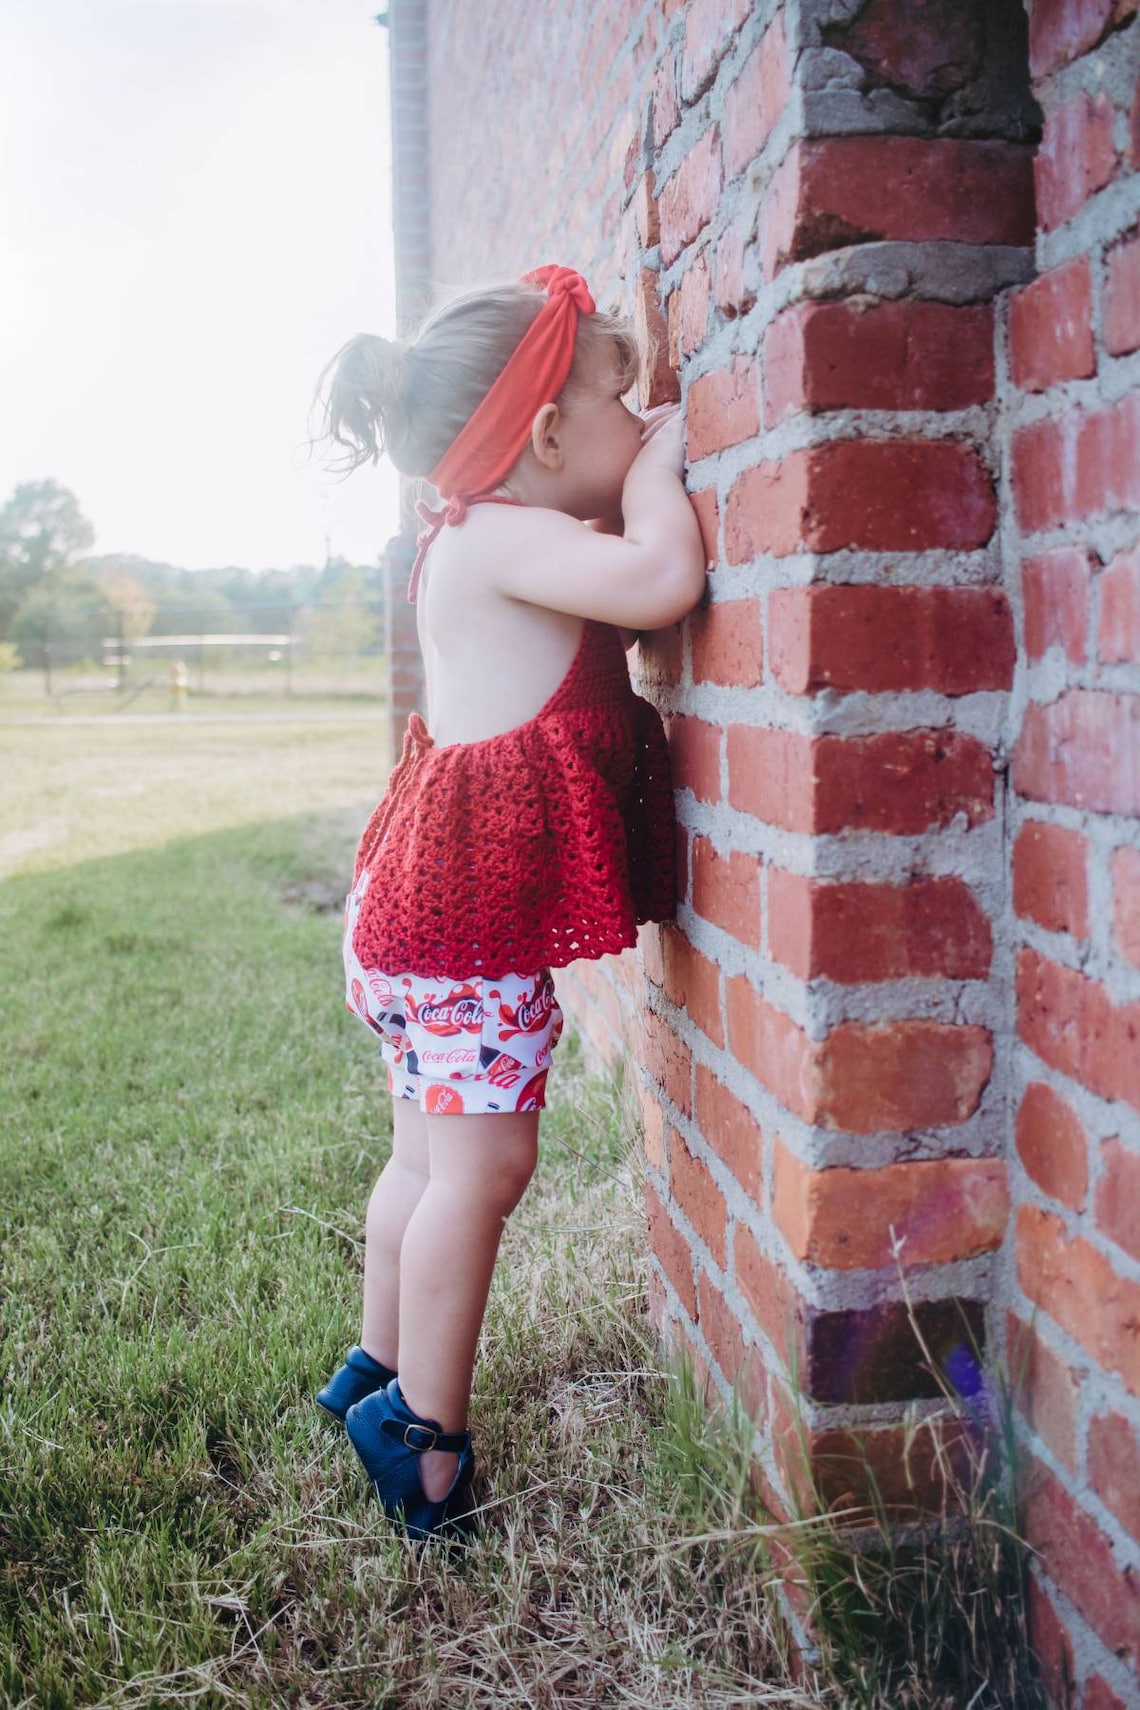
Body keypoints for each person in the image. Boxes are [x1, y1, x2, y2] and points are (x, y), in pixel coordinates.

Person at [311, 264, 706, 1543]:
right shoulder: (508, 537)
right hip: (460, 931)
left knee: (425, 1161)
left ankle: (372, 1371)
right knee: (482, 1174)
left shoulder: (463, 534)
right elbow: (660, 587)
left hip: (412, 911)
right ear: (545, 437)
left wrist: (630, 455)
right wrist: (661, 474)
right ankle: (423, 1438)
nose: (639, 420)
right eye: (618, 398)